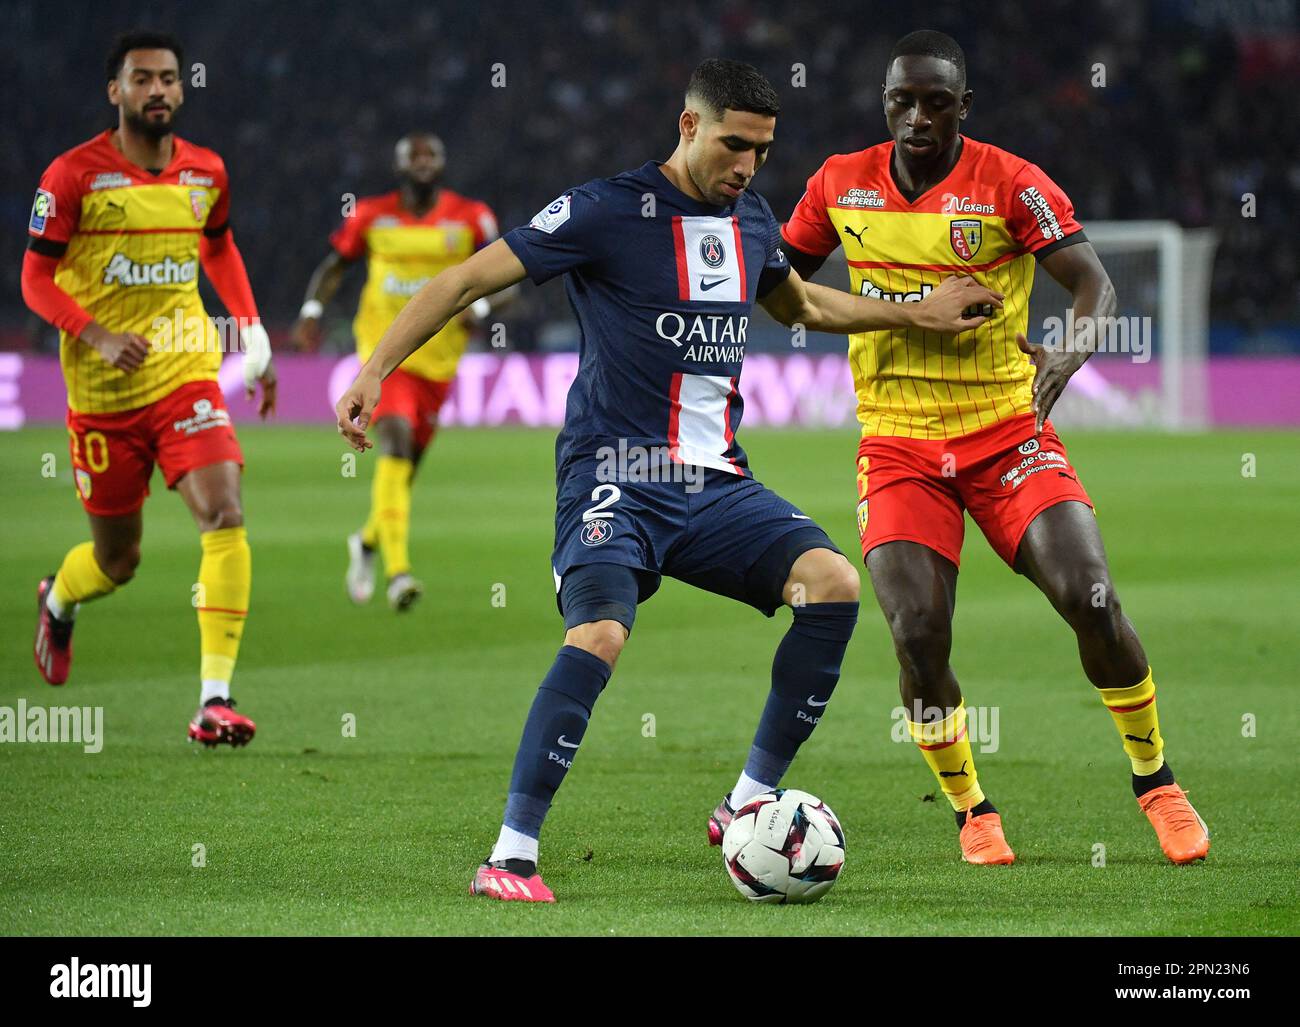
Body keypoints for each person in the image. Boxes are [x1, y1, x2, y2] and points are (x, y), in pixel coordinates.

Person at [335, 58, 1002, 901]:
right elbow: (465, 278)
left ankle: (749, 800)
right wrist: (374, 370)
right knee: (601, 633)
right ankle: (509, 855)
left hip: (717, 479)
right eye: (732, 145)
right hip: (614, 474)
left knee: (832, 584)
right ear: (688, 126)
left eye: (760, 151)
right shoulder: (603, 210)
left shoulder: (752, 220)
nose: (746, 167)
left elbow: (802, 307)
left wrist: (917, 314)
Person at [781, 29, 1209, 865]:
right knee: (915, 630)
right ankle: (972, 807)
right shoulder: (839, 183)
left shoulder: (1010, 183)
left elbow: (1095, 282)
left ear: (962, 107)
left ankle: (1155, 780)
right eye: (903, 101)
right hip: (899, 442)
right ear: (885, 104)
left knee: (1090, 595)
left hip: (1006, 431)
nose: (918, 118)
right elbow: (783, 285)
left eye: (937, 102)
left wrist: (1070, 350)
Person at [22, 30, 275, 747]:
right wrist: (96, 334)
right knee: (117, 560)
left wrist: (249, 332)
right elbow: (34, 277)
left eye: (168, 78)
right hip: (101, 396)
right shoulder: (72, 176)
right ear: (117, 92)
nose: (158, 90)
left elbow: (218, 246)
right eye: (143, 80)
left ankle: (214, 699)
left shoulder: (206, 172)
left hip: (183, 372)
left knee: (224, 513)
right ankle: (60, 596)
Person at [292, 134, 504, 611]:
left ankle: (366, 542)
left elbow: (511, 273)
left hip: (440, 361)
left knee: (404, 472)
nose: (424, 163)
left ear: (444, 163)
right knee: (395, 443)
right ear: (399, 164)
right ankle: (398, 572)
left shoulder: (471, 216)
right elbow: (335, 265)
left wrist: (484, 304)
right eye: (416, 156)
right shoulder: (370, 214)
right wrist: (311, 310)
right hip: (386, 358)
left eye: (432, 155)